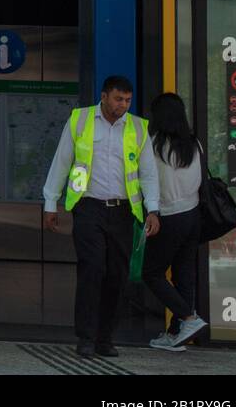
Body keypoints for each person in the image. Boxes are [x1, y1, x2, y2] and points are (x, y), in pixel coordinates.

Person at [43, 75, 160, 358]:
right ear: (105, 96)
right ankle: (85, 337)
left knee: (117, 276)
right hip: (88, 207)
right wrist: (50, 201)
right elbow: (62, 161)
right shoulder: (80, 120)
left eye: (128, 100)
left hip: (122, 211)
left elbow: (148, 172)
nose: (123, 105)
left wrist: (153, 208)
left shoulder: (137, 127)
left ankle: (105, 338)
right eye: (119, 99)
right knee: (92, 269)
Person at [142, 92, 207, 350]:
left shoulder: (154, 144)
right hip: (193, 216)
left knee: (151, 272)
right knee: (184, 275)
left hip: (169, 216)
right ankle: (175, 334)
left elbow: (149, 181)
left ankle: (189, 318)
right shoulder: (193, 143)